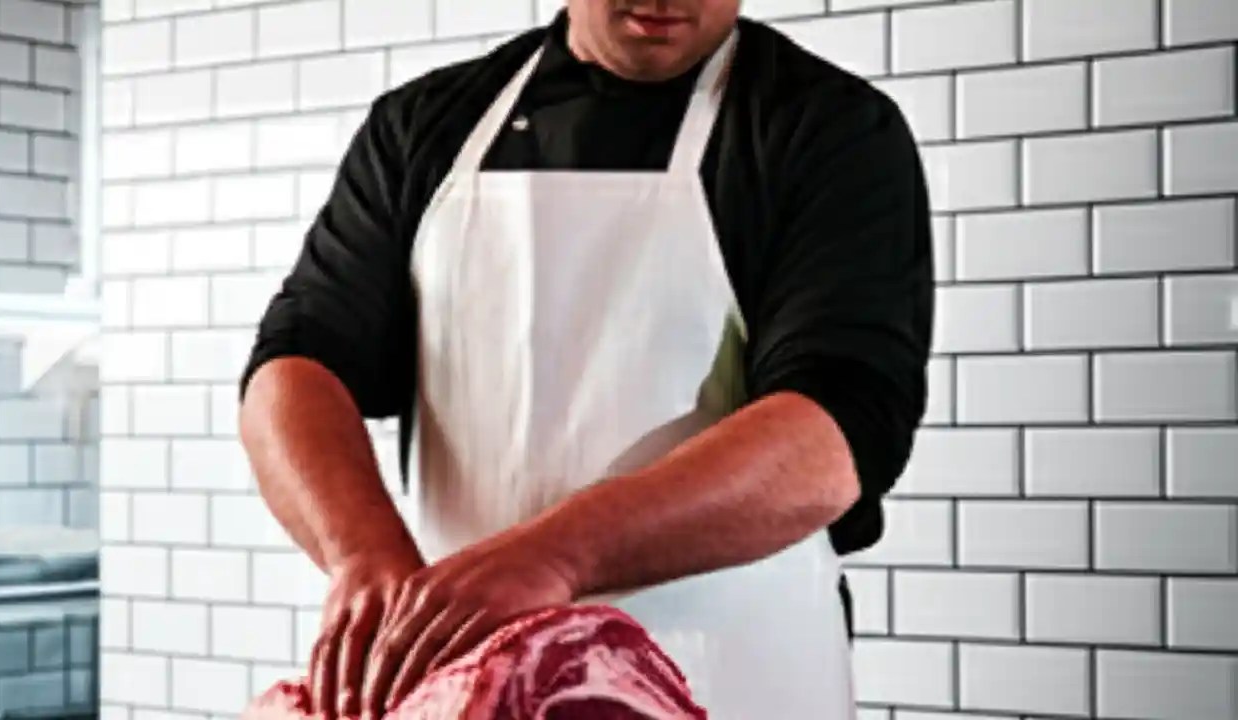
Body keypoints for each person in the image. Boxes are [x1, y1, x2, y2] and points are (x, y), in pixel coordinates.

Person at [238, 1, 933, 718]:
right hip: (470, 680)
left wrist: (556, 557)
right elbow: (296, 365)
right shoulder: (425, 126)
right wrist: (361, 556)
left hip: (732, 670)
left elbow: (834, 433)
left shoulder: (829, 127)